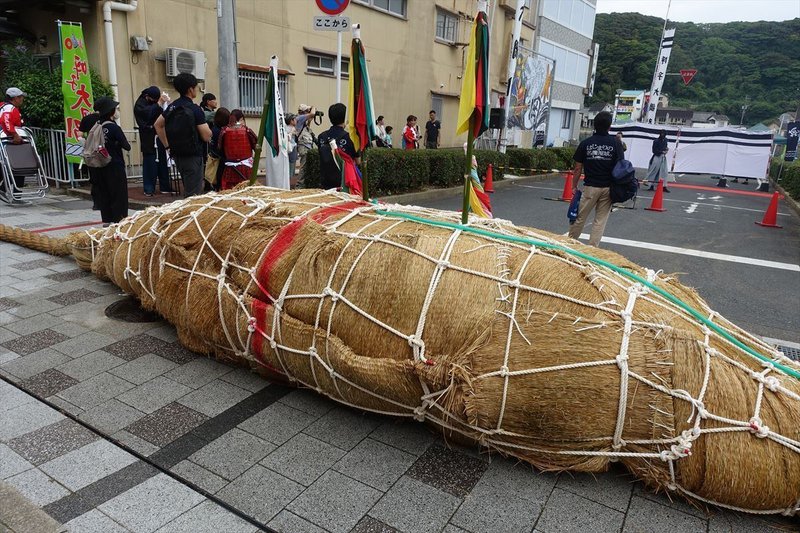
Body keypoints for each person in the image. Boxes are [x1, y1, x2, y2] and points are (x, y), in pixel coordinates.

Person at [567, 111, 624, 248]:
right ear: (609, 126)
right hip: (608, 188)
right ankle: (592, 249)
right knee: (600, 220)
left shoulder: (586, 143)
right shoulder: (616, 143)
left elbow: (577, 168)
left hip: (590, 187)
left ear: (594, 125)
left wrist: (574, 186)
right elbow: (622, 166)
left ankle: (569, 244)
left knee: (580, 217)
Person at [155, 73, 212, 197]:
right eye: (195, 87)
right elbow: (206, 136)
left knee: (188, 187)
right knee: (193, 194)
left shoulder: (172, 107)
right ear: (190, 89)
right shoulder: (195, 109)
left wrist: (167, 146)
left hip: (177, 154)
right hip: (193, 155)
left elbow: (158, 125)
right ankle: (188, 215)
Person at [91, 97, 131, 225]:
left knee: (105, 193)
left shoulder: (96, 127)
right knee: (118, 194)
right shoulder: (114, 128)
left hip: (99, 165)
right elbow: (127, 146)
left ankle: (107, 220)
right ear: (111, 111)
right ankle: (119, 220)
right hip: (115, 165)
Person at [134, 86, 173, 196]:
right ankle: (149, 188)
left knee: (163, 162)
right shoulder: (139, 104)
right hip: (148, 138)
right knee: (150, 163)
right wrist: (159, 103)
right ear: (147, 97)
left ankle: (165, 186)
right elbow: (147, 114)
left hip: (158, 135)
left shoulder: (152, 103)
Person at [317, 103, 358, 189]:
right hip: (344, 183)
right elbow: (358, 161)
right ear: (345, 117)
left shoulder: (321, 137)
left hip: (326, 183)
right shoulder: (350, 137)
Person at [218, 109, 257, 190]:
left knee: (230, 191)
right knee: (247, 190)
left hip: (230, 167)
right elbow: (256, 146)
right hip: (246, 167)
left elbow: (219, 148)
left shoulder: (224, 131)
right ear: (241, 119)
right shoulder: (247, 130)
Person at [78, 109, 101, 208]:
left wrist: (84, 142)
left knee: (94, 178)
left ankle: (96, 203)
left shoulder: (86, 119)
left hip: (90, 151)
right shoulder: (103, 119)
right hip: (103, 151)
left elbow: (80, 135)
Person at [206, 107, 230, 190]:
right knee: (219, 180)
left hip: (214, 158)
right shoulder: (220, 131)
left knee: (215, 180)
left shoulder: (214, 128)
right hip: (220, 160)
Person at [294, 104, 317, 186]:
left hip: (306, 145)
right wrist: (313, 107)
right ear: (303, 112)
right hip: (303, 146)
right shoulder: (299, 118)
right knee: (303, 167)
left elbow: (308, 124)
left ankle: (303, 184)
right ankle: (299, 185)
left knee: (306, 166)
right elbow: (312, 114)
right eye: (307, 111)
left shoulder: (301, 120)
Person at [285, 113, 299, 185]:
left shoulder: (284, 128)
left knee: (287, 166)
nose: (296, 121)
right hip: (292, 149)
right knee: (291, 167)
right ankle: (289, 184)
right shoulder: (292, 129)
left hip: (286, 149)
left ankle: (287, 183)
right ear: (291, 121)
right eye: (295, 119)